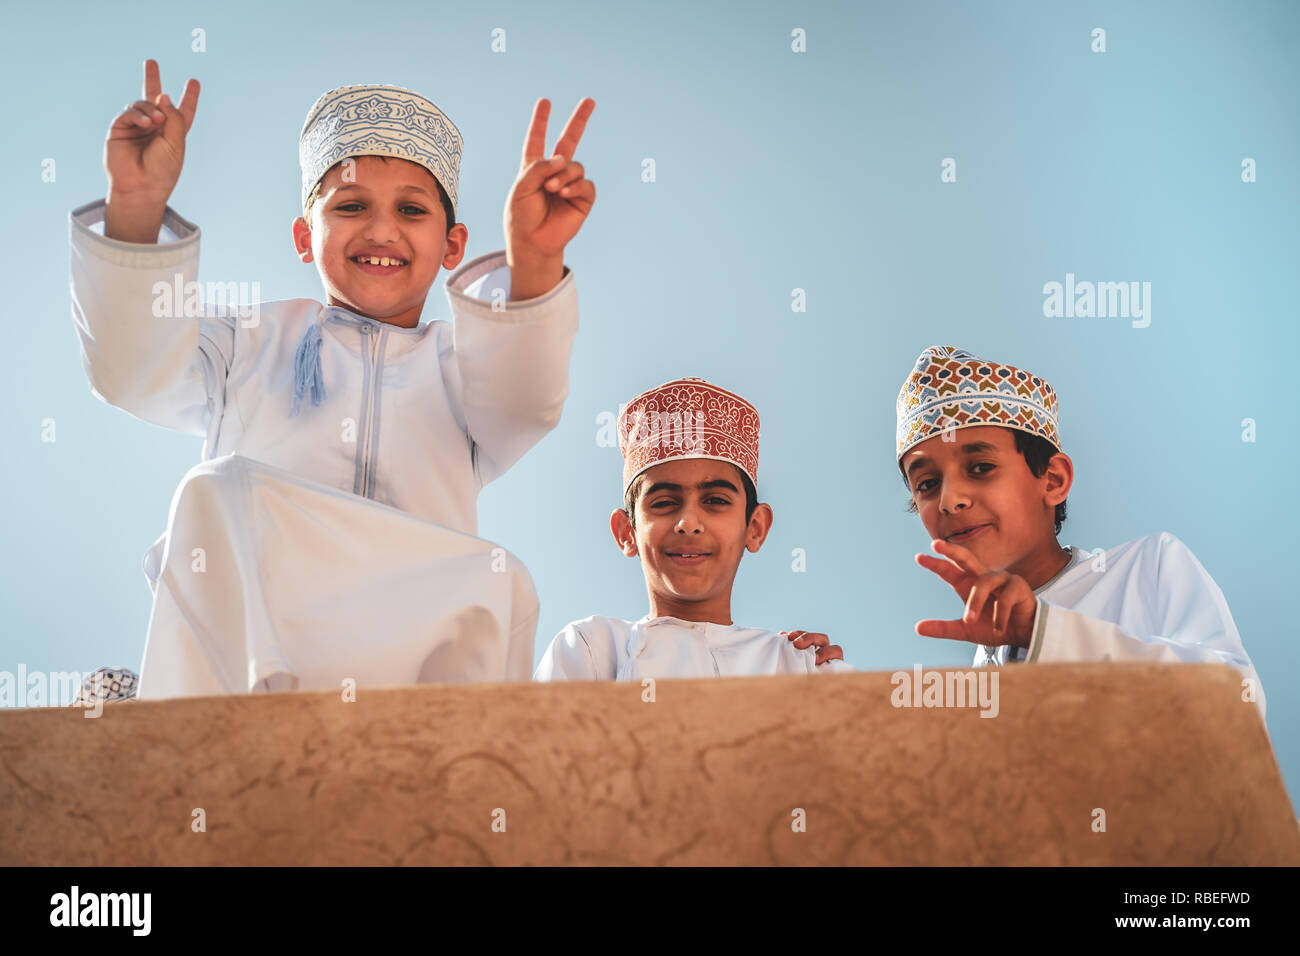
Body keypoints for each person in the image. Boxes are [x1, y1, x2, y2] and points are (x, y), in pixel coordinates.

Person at [69, 60, 596, 697]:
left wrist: (534, 261)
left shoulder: (465, 367)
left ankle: (453, 772)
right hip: (257, 643)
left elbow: (524, 399)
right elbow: (132, 370)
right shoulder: (247, 342)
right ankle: (213, 737)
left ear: (453, 246)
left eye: (411, 209)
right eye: (350, 206)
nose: (381, 230)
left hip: (406, 643)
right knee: (218, 490)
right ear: (303, 235)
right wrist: (136, 207)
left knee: (499, 576)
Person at [896, 345, 1265, 717]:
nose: (950, 499)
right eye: (927, 483)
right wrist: (838, 683)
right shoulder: (984, 655)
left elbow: (1237, 703)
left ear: (1053, 480)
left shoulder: (1145, 569)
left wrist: (1042, 632)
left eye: (980, 468)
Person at [535, 377, 851, 681]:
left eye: (715, 500)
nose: (688, 523)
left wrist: (812, 670)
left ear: (755, 528)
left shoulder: (798, 666)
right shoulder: (589, 651)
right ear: (626, 532)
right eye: (663, 503)